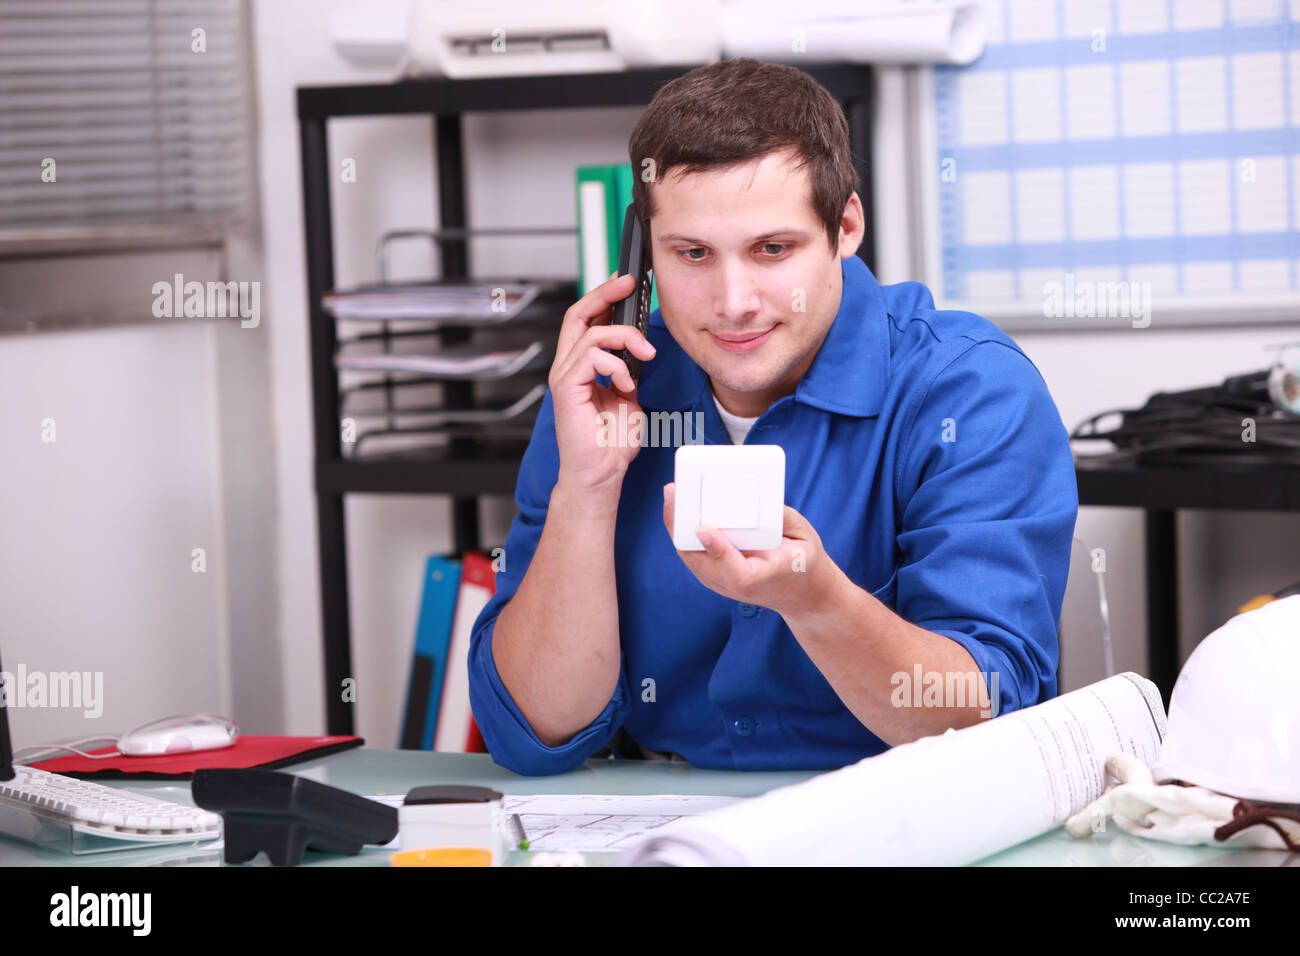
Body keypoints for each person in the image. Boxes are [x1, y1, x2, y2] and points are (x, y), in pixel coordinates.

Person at [468, 58, 1078, 776]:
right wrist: (588, 489)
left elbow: (984, 715)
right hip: (664, 829)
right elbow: (535, 732)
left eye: (773, 250)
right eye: (692, 253)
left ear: (845, 224)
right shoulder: (606, 387)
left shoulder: (969, 390)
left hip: (902, 820)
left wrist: (821, 606)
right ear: (643, 254)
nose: (734, 302)